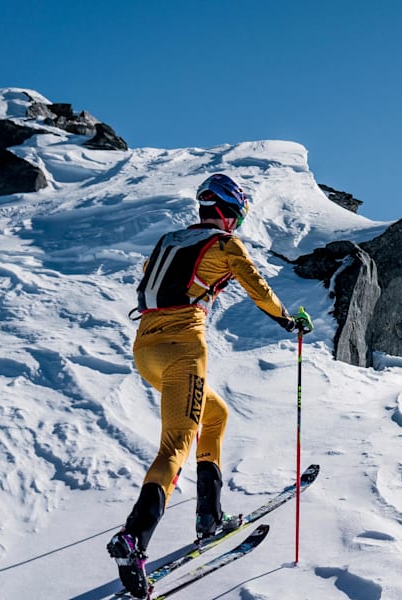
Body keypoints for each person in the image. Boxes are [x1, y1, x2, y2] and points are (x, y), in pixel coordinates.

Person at [107, 173, 308, 598]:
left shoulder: (167, 239)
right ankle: (133, 538)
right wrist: (289, 321)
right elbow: (259, 287)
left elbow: (152, 278)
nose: (237, 223)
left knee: (214, 415)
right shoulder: (224, 243)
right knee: (176, 445)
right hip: (183, 347)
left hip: (145, 349)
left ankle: (209, 516)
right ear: (228, 213)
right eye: (237, 215)